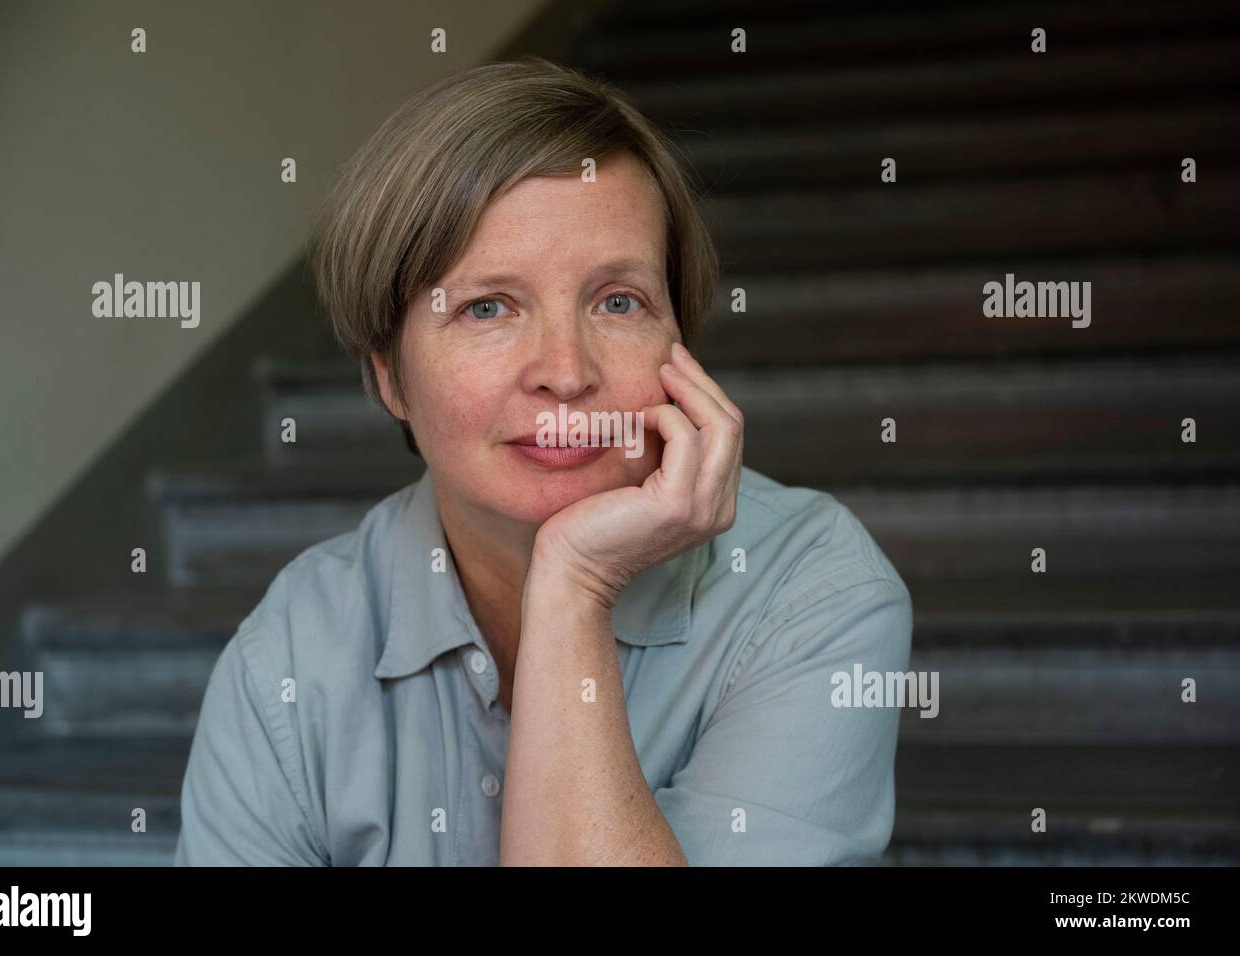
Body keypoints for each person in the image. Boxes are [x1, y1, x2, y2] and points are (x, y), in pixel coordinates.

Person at [173, 55, 911, 866]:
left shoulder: (813, 591)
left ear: (680, 346)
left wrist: (572, 585)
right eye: (488, 306)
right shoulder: (289, 657)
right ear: (390, 375)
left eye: (618, 301)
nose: (565, 369)